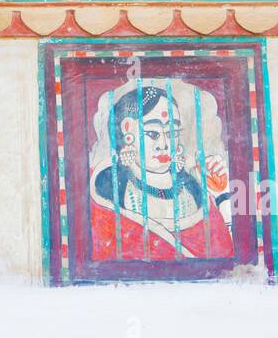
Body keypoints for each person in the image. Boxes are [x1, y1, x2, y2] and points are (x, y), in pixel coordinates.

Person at [90, 84, 234, 260]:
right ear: (127, 131)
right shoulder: (104, 191)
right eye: (152, 134)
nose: (165, 145)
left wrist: (221, 196)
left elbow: (227, 257)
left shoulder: (194, 190)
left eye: (172, 132)